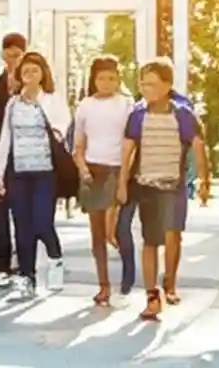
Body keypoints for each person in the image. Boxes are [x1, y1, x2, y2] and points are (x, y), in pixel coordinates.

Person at [118, 58, 209, 321]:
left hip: (173, 186)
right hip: (146, 185)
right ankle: (152, 295)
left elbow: (198, 146)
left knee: (173, 235)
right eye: (143, 84)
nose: (147, 89)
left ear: (168, 85)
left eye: (153, 84)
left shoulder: (183, 115)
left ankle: (170, 280)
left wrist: (204, 180)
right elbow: (127, 151)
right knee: (150, 241)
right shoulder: (137, 115)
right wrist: (122, 183)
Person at [0, 51, 73, 301]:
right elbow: (5, 140)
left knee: (42, 222)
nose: (30, 74)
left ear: (43, 74)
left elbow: (62, 125)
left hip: (45, 171)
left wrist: (56, 131)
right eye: (25, 71)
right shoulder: (13, 104)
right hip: (19, 172)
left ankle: (55, 259)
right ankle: (27, 276)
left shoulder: (52, 100)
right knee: (22, 227)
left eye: (34, 70)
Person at [72, 56, 134, 307]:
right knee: (97, 234)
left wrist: (125, 175)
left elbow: (132, 143)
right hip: (93, 170)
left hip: (117, 169)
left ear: (118, 79)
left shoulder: (127, 104)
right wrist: (83, 169)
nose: (106, 83)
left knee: (114, 232)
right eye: (101, 78)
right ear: (94, 80)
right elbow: (78, 144)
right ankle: (104, 285)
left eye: (111, 78)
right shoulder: (85, 106)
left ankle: (128, 272)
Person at [0, 32, 26, 283]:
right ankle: (1, 257)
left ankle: (22, 256)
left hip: (22, 151)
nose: (12, 58)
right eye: (8, 54)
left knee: (20, 206)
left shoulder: (29, 79)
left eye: (17, 54)